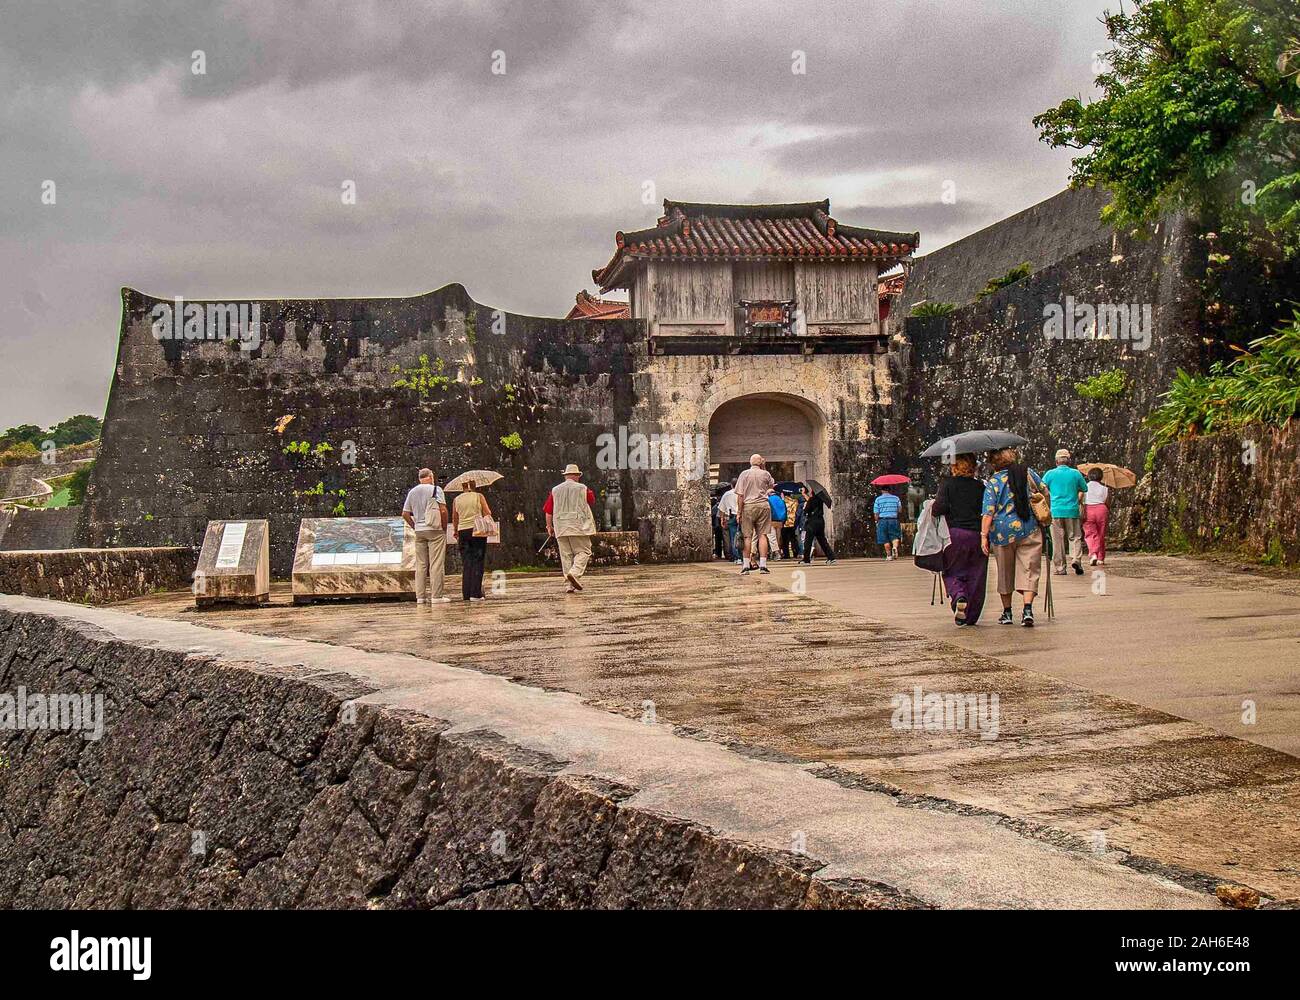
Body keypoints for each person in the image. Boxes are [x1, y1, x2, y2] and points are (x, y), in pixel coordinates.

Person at [981, 448, 1045, 627]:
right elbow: (1044, 492)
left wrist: (983, 535)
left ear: (994, 462)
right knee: (1030, 568)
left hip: (1002, 532)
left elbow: (988, 511)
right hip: (1028, 526)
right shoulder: (1028, 473)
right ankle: (1027, 609)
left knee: (1004, 570)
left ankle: (1007, 612)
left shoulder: (994, 482)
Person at [930, 453, 987, 626]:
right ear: (973, 467)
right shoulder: (980, 487)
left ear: (954, 467)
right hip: (977, 535)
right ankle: (971, 616)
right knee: (976, 575)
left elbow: (938, 509)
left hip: (953, 535)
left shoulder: (947, 484)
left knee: (952, 570)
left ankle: (958, 595)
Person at [545, 463, 597, 593]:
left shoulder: (555, 490)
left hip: (561, 526)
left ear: (566, 476)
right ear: (576, 476)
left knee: (566, 555)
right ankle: (574, 573)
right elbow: (591, 500)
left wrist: (549, 526)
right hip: (578, 525)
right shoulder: (582, 488)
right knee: (584, 551)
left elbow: (548, 510)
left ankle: (568, 585)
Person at [401, 467, 450, 604]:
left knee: (421, 565)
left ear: (419, 478)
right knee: (436, 563)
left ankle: (420, 597)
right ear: (431, 476)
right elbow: (443, 510)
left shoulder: (412, 492)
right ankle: (437, 596)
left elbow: (405, 513)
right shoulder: (436, 489)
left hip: (420, 531)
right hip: (435, 529)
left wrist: (415, 526)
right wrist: (444, 527)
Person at [1042, 448, 1088, 576]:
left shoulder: (1050, 474)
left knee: (1057, 540)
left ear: (1056, 461)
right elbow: (1084, 488)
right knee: (1075, 537)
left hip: (1055, 510)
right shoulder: (1075, 473)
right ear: (1069, 461)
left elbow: (1042, 488)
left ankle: (1060, 567)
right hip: (1072, 510)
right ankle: (1076, 559)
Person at [451, 478, 493, 602]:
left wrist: (455, 531)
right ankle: (475, 593)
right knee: (478, 561)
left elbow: (454, 517)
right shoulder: (478, 496)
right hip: (477, 530)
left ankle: (466, 593)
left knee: (467, 562)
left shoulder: (456, 499)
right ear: (474, 485)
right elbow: (488, 512)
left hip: (462, 531)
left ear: (462, 487)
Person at [735, 454, 776, 574]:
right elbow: (771, 485)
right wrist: (763, 467)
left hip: (748, 506)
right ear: (760, 463)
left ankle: (746, 566)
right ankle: (763, 565)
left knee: (747, 536)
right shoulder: (765, 473)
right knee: (763, 535)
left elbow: (740, 496)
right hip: (763, 505)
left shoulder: (744, 474)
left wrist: (739, 512)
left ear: (750, 462)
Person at [800, 483, 837, 565]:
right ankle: (831, 557)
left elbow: (806, 511)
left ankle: (806, 560)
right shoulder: (820, 501)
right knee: (822, 540)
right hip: (820, 521)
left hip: (812, 522)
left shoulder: (811, 500)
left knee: (808, 541)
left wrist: (805, 506)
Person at [1082, 467, 1112, 566]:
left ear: (1089, 476)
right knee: (1101, 534)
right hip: (1102, 510)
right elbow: (1107, 503)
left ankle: (1093, 553)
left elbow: (1081, 500)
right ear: (1101, 477)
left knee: (1090, 533)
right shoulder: (1105, 488)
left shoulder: (1084, 487)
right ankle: (1101, 557)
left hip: (1088, 509)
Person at [873, 486, 903, 560]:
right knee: (895, 536)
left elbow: (876, 513)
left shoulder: (878, 499)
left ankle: (889, 556)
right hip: (893, 520)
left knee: (885, 539)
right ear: (889, 490)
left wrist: (876, 521)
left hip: (882, 520)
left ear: (882, 491)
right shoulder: (896, 498)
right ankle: (895, 547)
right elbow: (900, 510)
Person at [717, 481, 740, 566]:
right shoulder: (742, 492)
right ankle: (744, 556)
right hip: (741, 515)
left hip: (731, 516)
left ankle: (737, 557)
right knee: (743, 536)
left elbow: (722, 509)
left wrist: (722, 519)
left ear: (731, 485)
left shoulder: (727, 494)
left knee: (733, 537)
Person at [779, 491, 802, 560]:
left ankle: (786, 554)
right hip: (793, 522)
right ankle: (796, 552)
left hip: (785, 522)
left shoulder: (782, 501)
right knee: (793, 538)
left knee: (785, 540)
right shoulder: (795, 501)